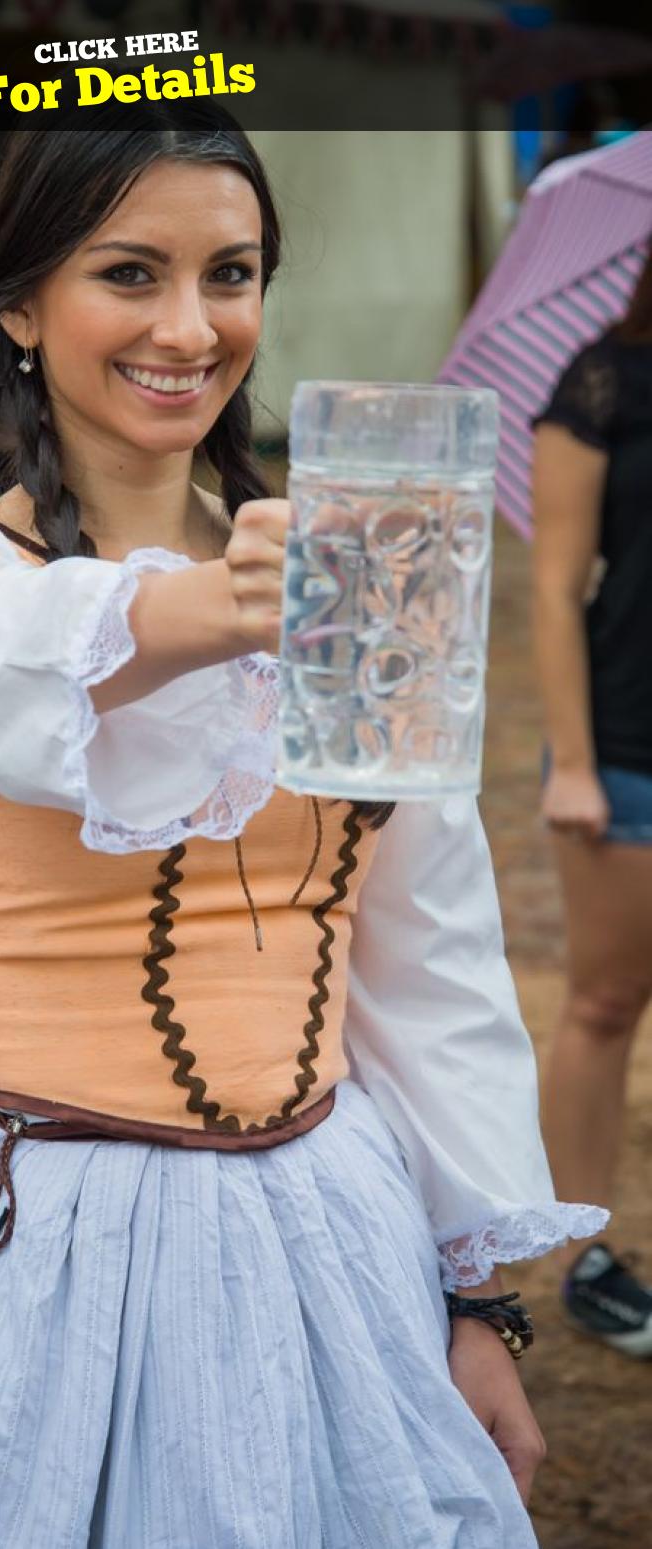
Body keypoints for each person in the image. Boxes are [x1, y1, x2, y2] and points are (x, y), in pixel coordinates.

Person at [0, 119, 603, 1549]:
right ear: (18, 305)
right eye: (129, 274)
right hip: (51, 1243)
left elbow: (430, 965)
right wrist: (238, 600)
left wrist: (478, 1299)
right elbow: (38, 666)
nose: (190, 326)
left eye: (232, 273)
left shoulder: (347, 581)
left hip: (333, 1229)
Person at [532, 246, 652, 1355]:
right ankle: (583, 1256)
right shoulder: (605, 379)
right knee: (607, 1002)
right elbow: (556, 588)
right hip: (627, 747)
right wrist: (571, 760)